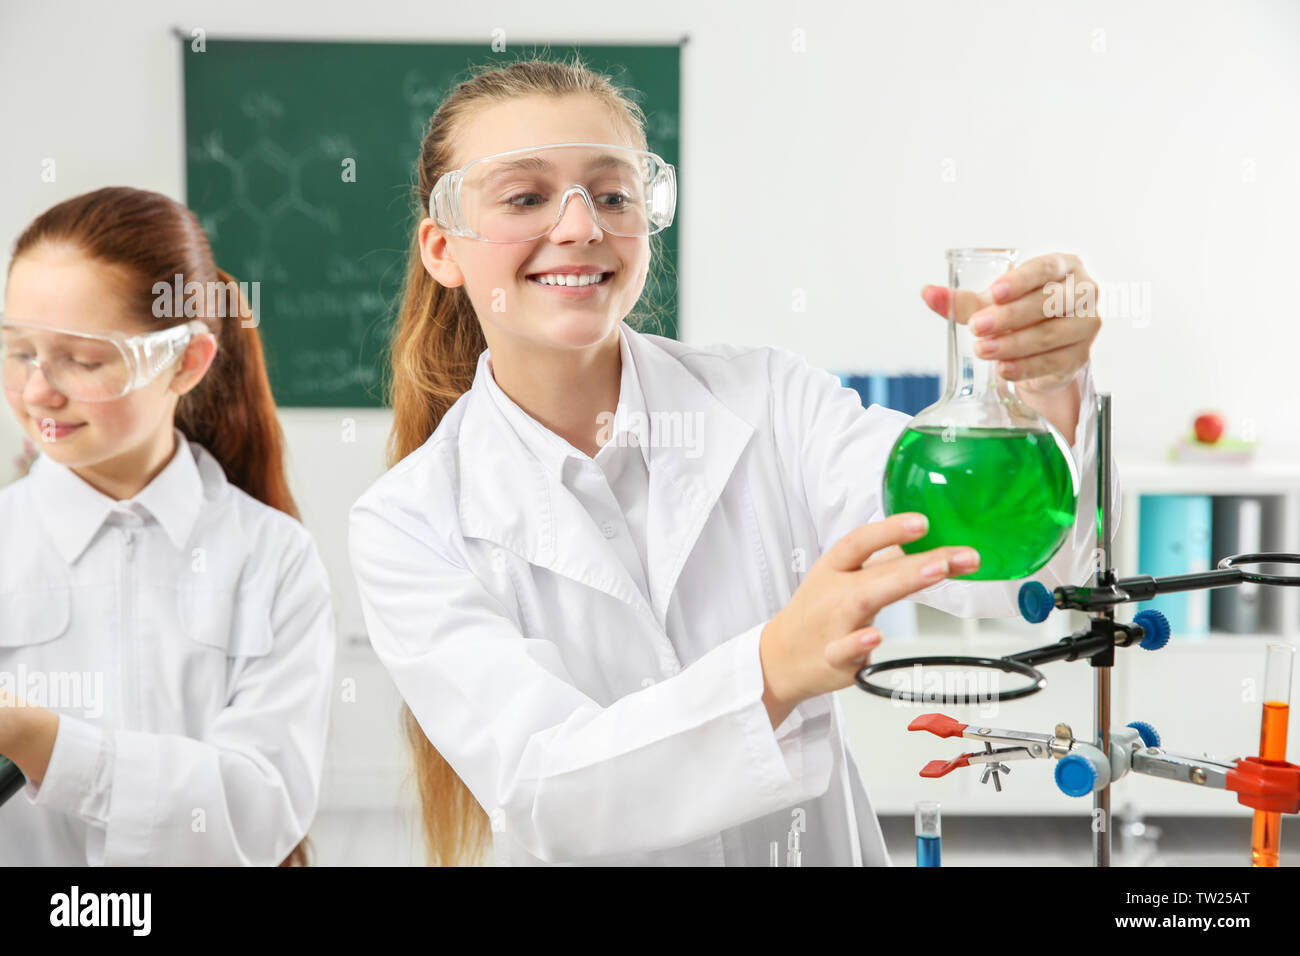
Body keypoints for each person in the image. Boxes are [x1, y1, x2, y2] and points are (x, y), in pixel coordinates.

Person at [349, 56, 1116, 866]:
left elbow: (992, 567)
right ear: (443, 247)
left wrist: (1042, 386)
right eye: (525, 197)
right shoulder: (410, 521)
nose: (579, 227)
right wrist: (772, 668)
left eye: (612, 195)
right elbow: (550, 796)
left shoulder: (769, 402)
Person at [0, 187, 336, 865]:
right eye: (20, 351)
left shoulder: (273, 559)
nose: (39, 391)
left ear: (185, 362)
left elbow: (261, 810)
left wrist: (42, 741)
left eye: (84, 360)